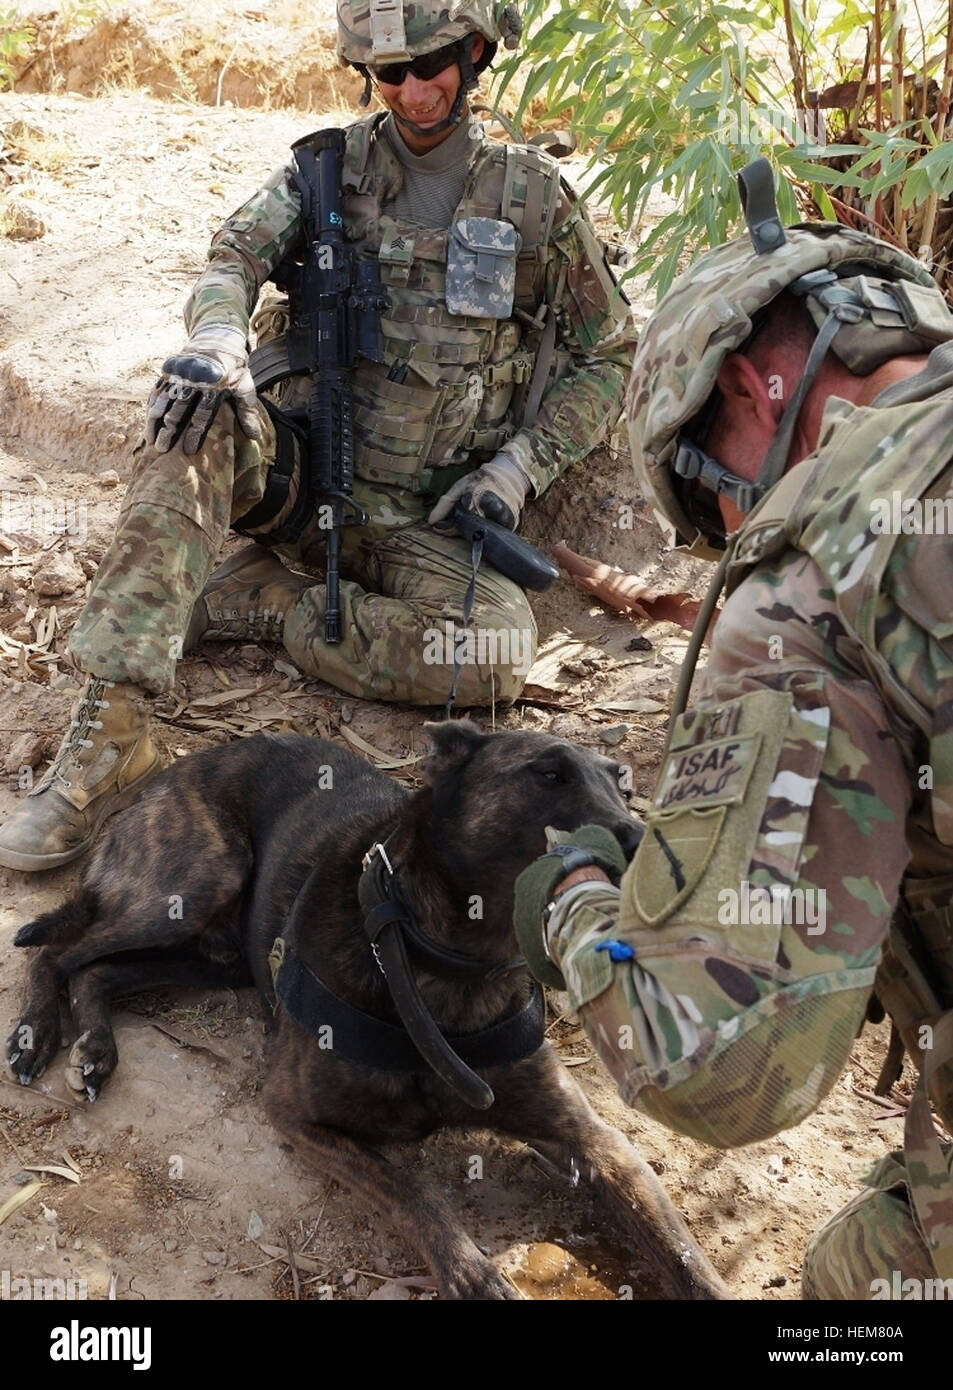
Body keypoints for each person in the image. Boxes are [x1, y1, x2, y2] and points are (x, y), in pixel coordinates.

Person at [0, 0, 634, 873]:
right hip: (305, 477)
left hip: (433, 521)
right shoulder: (325, 174)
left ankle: (266, 604)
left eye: (432, 63)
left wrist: (521, 468)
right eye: (390, 72)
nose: (412, 89)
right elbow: (233, 260)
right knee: (193, 414)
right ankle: (112, 737)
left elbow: (609, 356)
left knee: (491, 656)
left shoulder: (532, 200)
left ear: (477, 51)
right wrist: (217, 337)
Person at [513, 160, 953, 1297]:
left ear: (757, 388)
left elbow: (707, 1059)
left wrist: (569, 906)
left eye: (712, 497)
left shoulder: (814, 559)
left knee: (857, 1286)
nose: (731, 527)